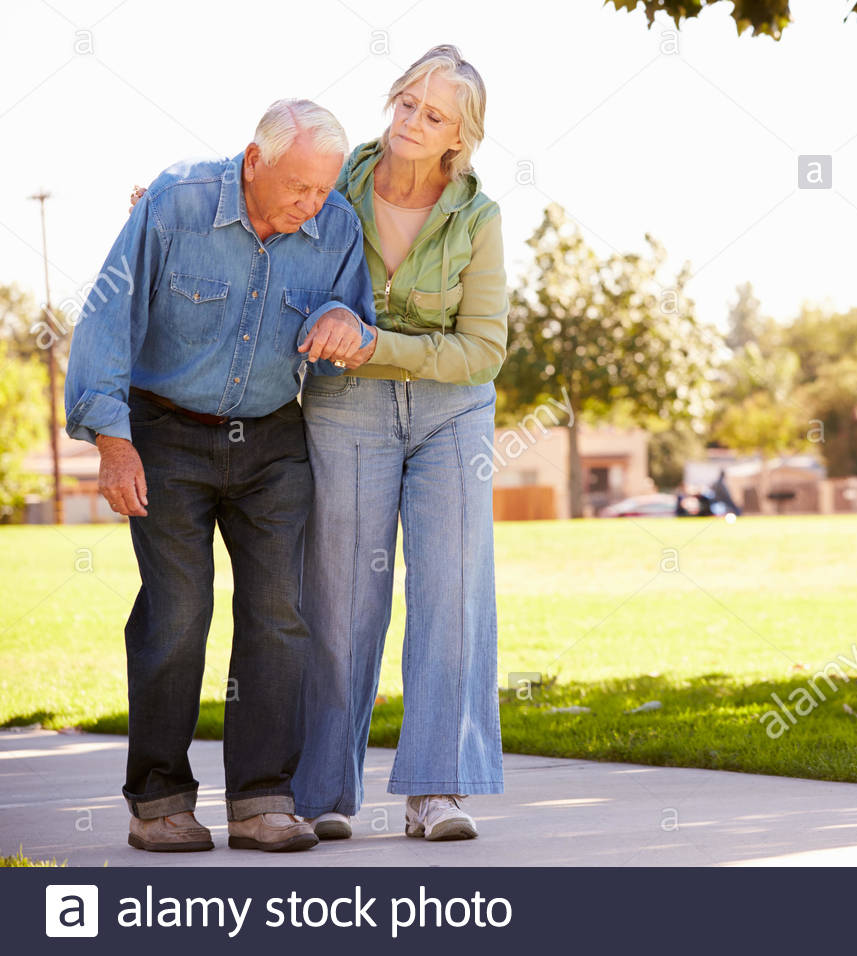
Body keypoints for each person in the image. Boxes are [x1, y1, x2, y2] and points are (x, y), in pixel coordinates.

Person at [67, 99, 376, 853]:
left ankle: (263, 799)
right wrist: (113, 439)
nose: (313, 205)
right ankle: (159, 799)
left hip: (273, 438)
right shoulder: (174, 205)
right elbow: (106, 318)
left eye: (324, 190)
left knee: (279, 615)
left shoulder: (335, 226)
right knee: (177, 614)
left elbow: (357, 317)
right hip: (167, 430)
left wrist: (345, 319)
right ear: (253, 159)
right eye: (300, 187)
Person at [289, 45, 508, 842]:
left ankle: (436, 791)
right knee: (342, 597)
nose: (413, 121)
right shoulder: (336, 183)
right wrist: (169, 205)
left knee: (451, 592)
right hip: (346, 407)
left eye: (435, 114)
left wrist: (374, 342)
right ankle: (320, 792)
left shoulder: (476, 218)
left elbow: (482, 350)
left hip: (452, 414)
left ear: (461, 136)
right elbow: (261, 185)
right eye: (408, 102)